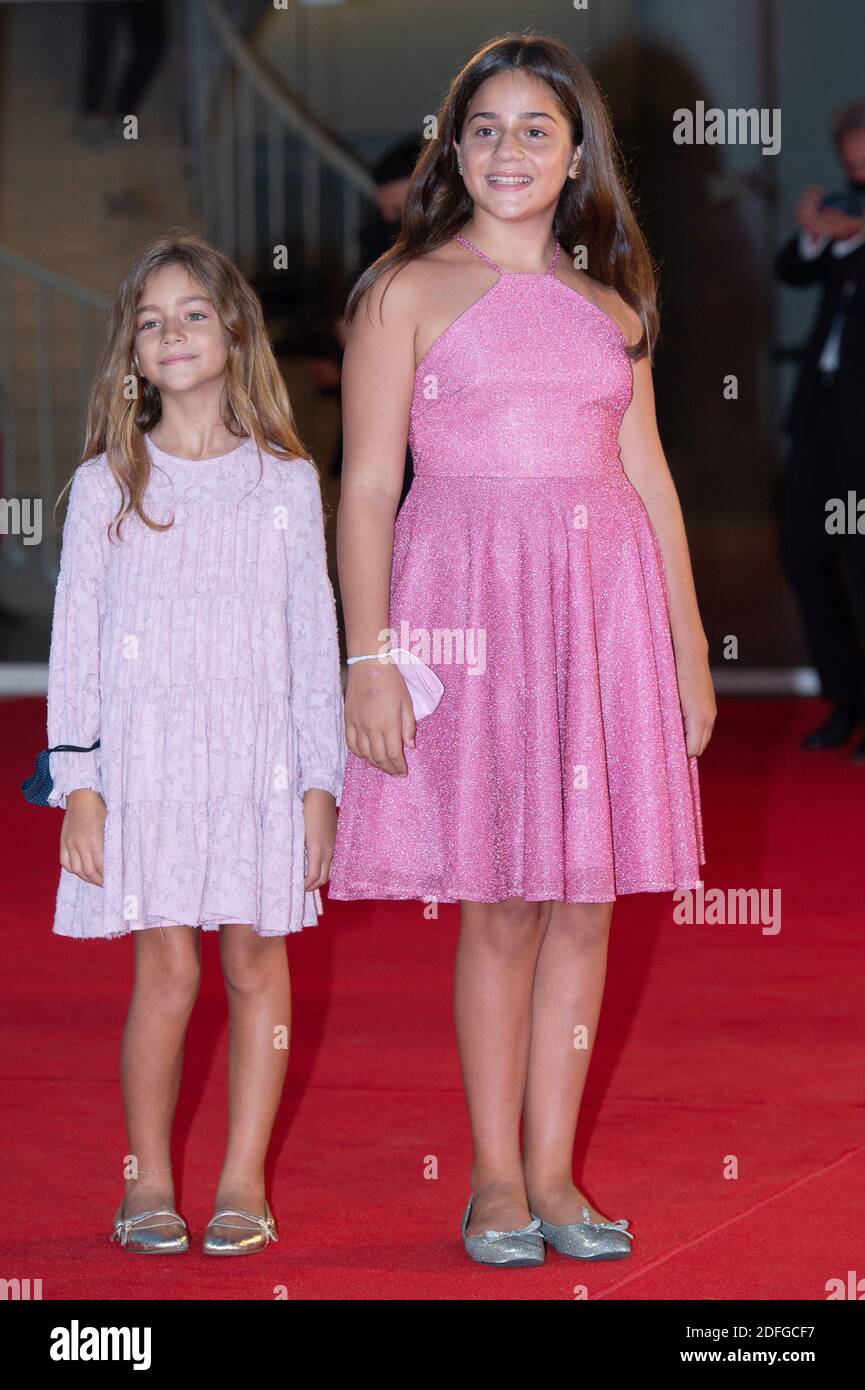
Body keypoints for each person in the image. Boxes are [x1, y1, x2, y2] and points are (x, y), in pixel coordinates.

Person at [327, 34, 713, 1267]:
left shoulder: (616, 303)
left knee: (587, 904)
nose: (506, 151)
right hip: (471, 618)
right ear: (454, 148)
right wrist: (367, 654)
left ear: (576, 154)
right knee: (497, 905)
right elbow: (368, 483)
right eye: (483, 128)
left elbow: (650, 480)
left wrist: (689, 652)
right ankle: (492, 1176)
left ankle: (555, 1174)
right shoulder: (402, 290)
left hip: (599, 618)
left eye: (534, 130)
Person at [42, 230, 345, 1254]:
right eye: (150, 321)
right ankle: (148, 1179)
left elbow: (314, 641)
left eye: (193, 314)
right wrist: (81, 784)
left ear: (234, 334)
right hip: (147, 768)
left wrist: (319, 783)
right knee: (166, 970)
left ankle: (242, 1180)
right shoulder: (104, 488)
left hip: (257, 766)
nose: (171, 333)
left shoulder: (285, 485)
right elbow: (74, 642)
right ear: (132, 355)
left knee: (256, 957)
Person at [774, 101, 865, 762]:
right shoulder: (848, 212)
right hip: (821, 418)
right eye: (851, 166)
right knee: (805, 557)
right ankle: (845, 698)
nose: (856, 177)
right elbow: (792, 269)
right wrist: (814, 234)